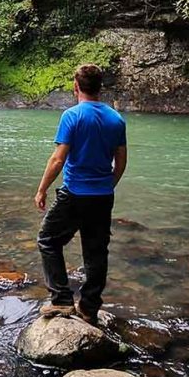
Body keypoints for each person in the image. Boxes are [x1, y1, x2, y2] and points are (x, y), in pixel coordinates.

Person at [33, 63, 127, 325]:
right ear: (100, 87)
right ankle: (88, 307)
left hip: (74, 193)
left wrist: (41, 189)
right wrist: (108, 185)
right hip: (102, 196)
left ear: (76, 87)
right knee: (96, 252)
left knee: (48, 240)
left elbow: (57, 160)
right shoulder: (116, 119)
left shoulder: (72, 116)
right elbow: (121, 162)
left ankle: (62, 300)